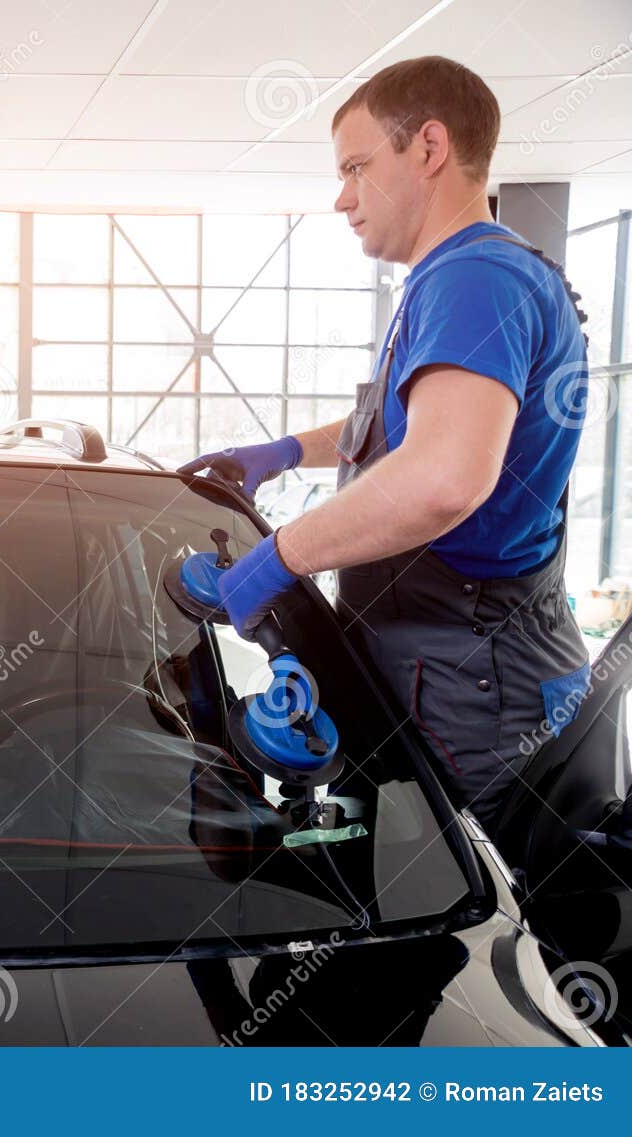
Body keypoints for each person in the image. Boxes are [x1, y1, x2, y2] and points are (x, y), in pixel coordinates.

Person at [179, 57, 592, 829]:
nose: (341, 198)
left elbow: (442, 478)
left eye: (357, 168)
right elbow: (411, 430)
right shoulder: (476, 274)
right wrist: (285, 451)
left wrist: (279, 556)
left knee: (470, 921)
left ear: (428, 148)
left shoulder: (472, 278)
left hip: (474, 695)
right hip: (476, 673)